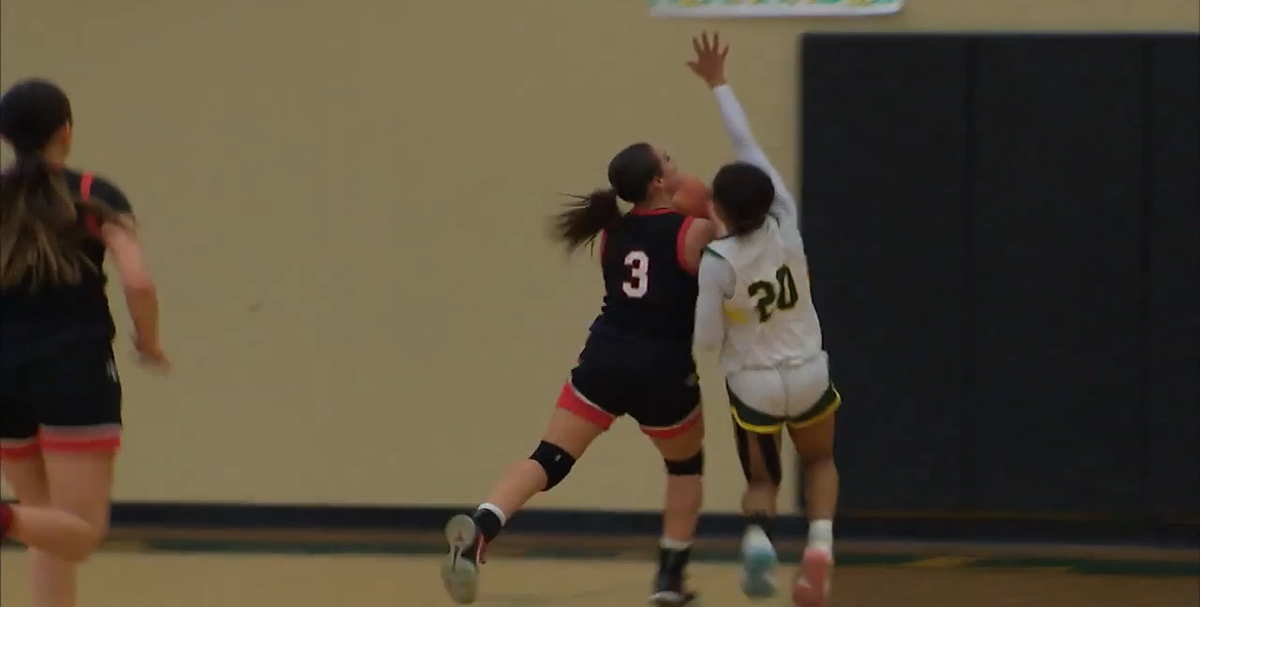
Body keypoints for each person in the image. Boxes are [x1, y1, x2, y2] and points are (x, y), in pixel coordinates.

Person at [441, 142, 718, 607]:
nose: (676, 162)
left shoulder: (611, 235)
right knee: (685, 466)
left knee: (550, 456)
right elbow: (734, 229)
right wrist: (705, 199)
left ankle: (483, 524)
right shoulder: (695, 232)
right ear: (656, 181)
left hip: (605, 359)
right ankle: (670, 577)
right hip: (662, 368)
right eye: (668, 159)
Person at [686, 33, 842, 608]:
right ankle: (820, 548)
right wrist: (719, 83)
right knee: (820, 460)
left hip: (753, 382)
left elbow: (705, 339)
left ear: (719, 212)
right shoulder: (787, 224)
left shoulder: (717, 263)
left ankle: (757, 539)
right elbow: (746, 143)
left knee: (761, 482)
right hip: (807, 371)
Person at [0, 78, 169, 607]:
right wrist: (149, 342)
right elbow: (138, 281)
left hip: (3, 372)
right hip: (74, 368)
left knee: (45, 525)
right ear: (66, 131)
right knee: (81, 530)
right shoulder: (93, 194)